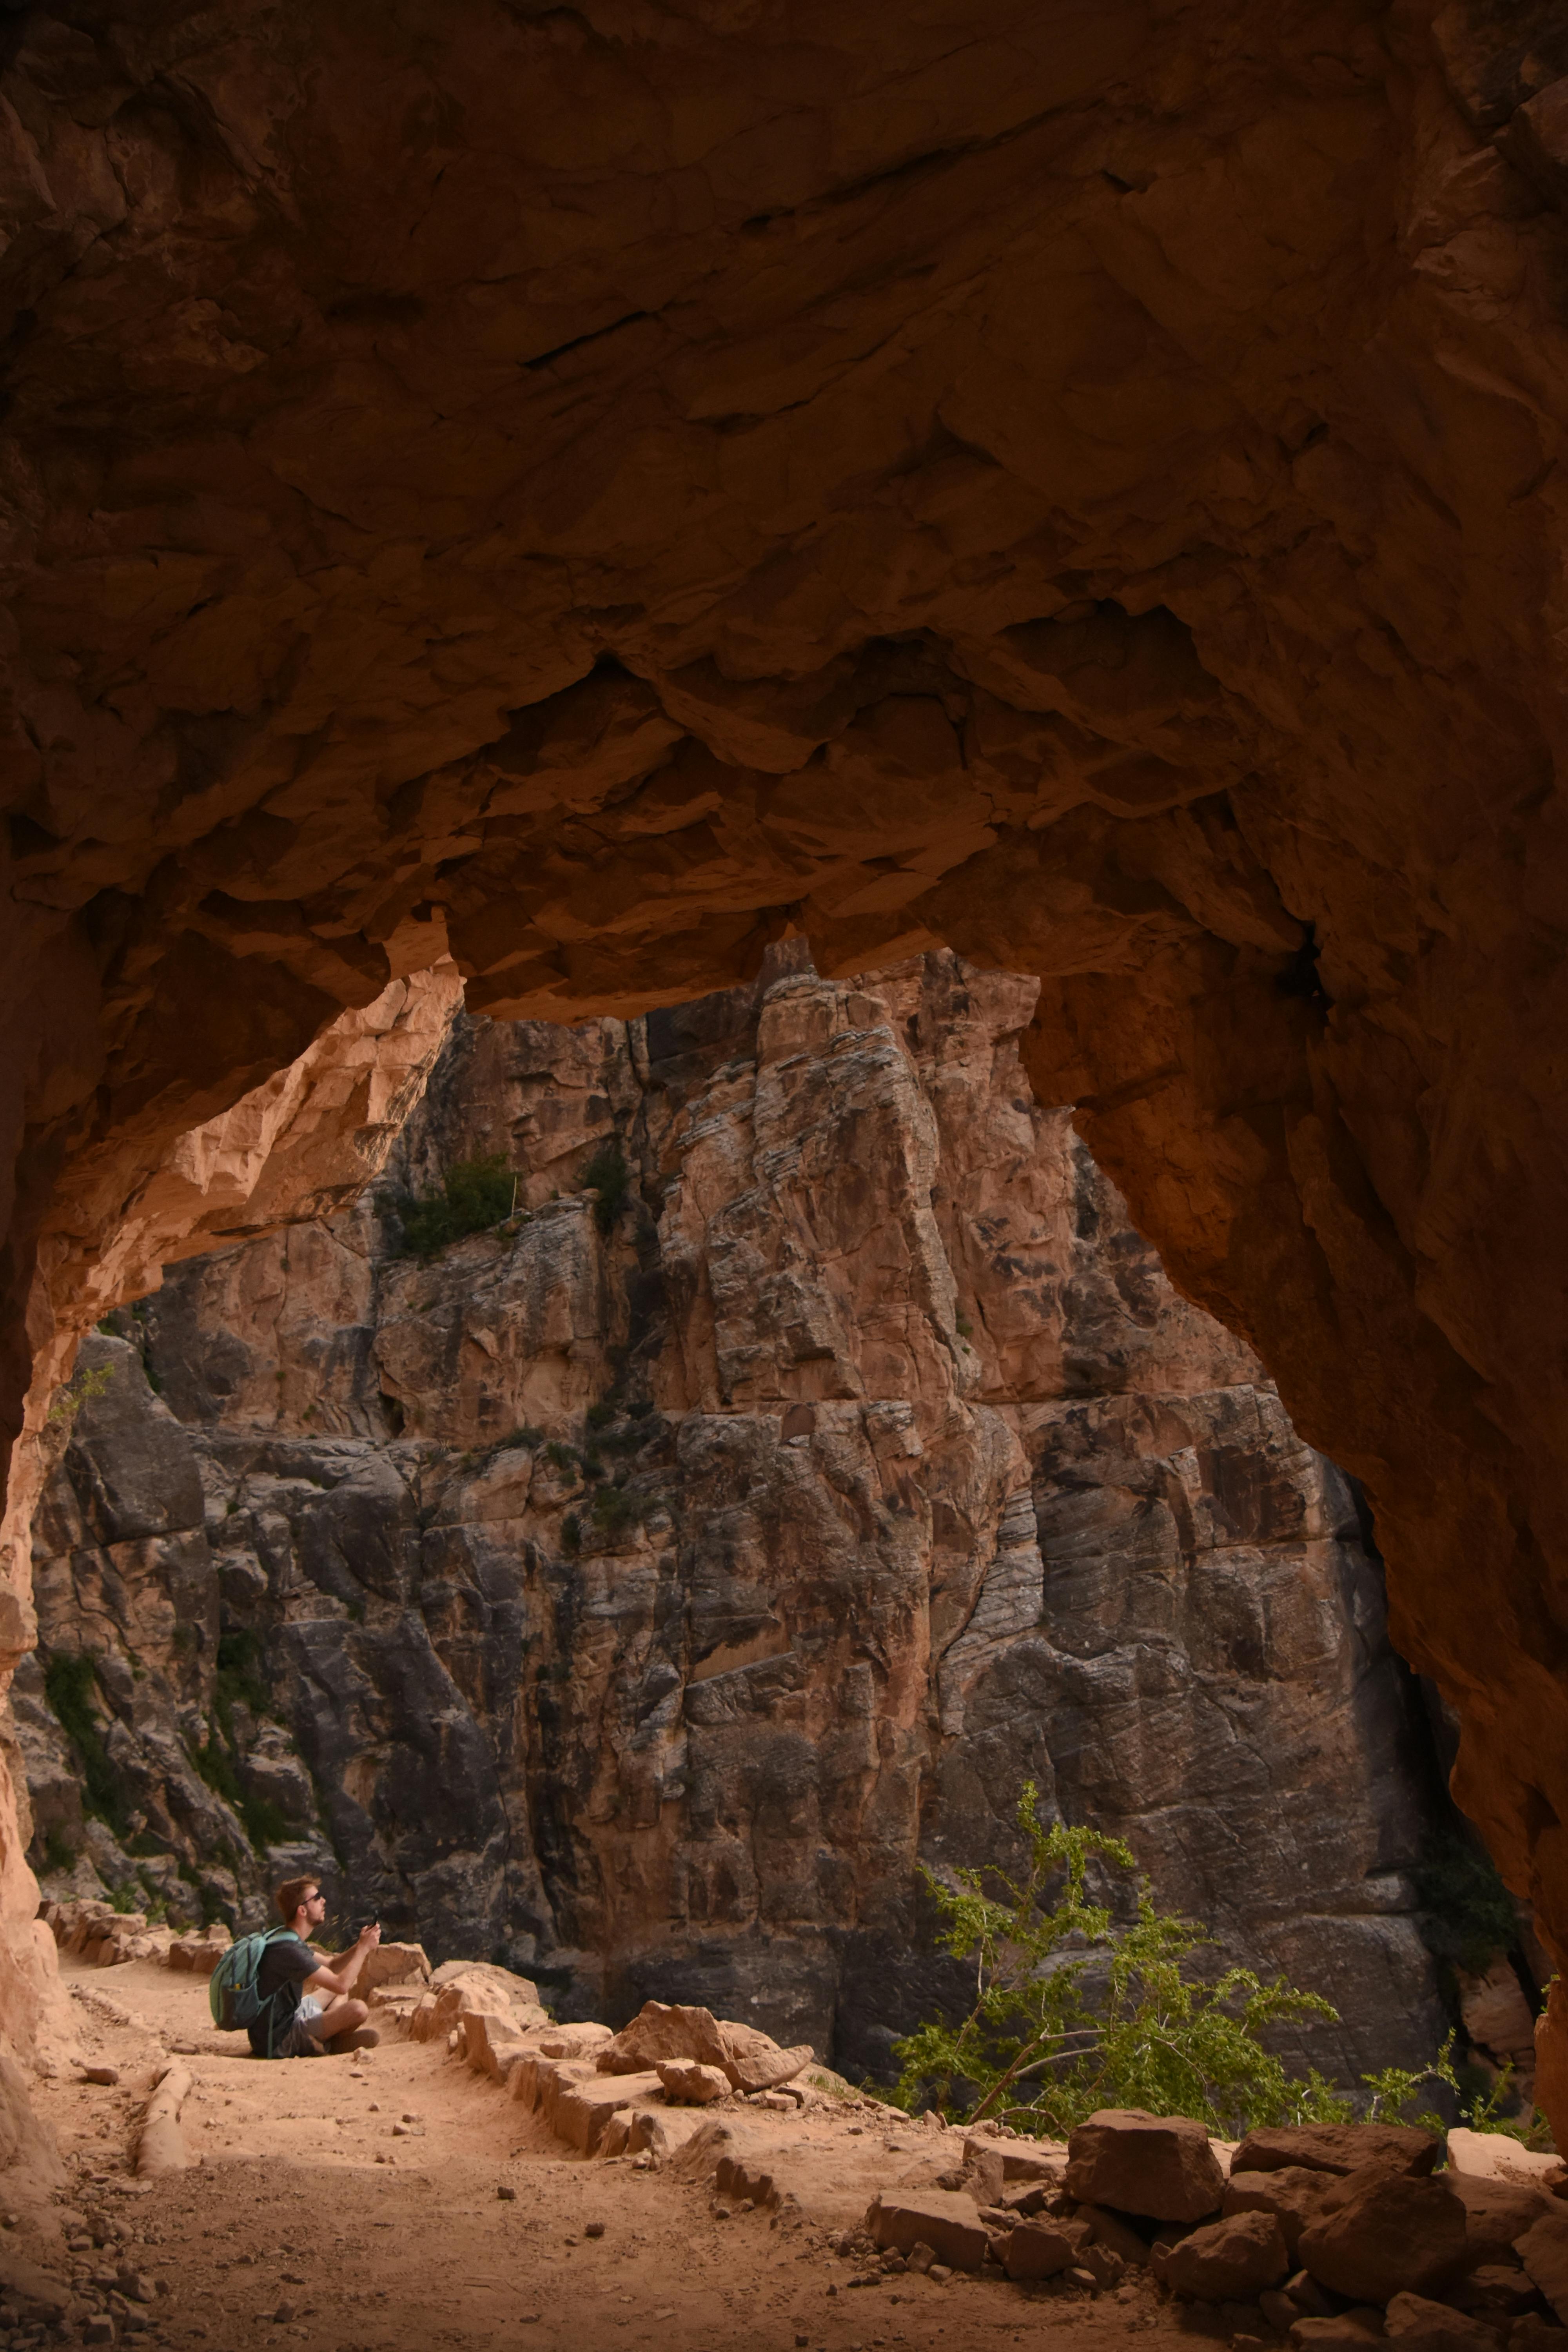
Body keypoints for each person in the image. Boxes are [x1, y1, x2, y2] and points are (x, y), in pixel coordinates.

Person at [252, 1877, 382, 2058]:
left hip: (284, 2020)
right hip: (280, 2038)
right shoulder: (289, 1950)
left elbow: (332, 1965)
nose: (324, 1901)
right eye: (317, 1898)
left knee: (339, 1992)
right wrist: (364, 1949)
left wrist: (359, 1944)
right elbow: (341, 1984)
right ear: (302, 1910)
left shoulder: (286, 1937)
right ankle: (329, 2043)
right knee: (358, 2009)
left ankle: (325, 2037)